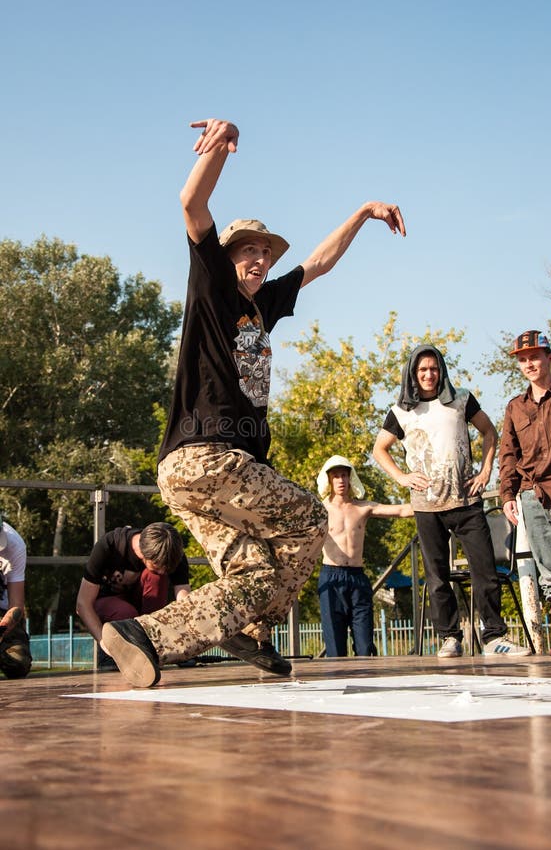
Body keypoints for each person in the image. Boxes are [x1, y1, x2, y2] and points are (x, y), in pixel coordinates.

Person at [101, 117, 406, 687]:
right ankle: (255, 626)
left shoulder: (265, 302)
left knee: (254, 572)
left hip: (192, 475)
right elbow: (192, 203)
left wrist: (363, 213)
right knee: (312, 518)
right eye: (249, 251)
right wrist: (222, 146)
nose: (259, 259)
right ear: (229, 255)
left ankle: (155, 635)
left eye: (265, 251)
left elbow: (318, 263)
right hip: (208, 455)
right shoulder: (212, 284)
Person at [373, 344, 531, 657]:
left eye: (433, 369)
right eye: (422, 370)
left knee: (485, 570)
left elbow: (488, 432)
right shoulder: (402, 411)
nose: (428, 374)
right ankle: (450, 637)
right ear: (413, 375)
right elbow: (380, 449)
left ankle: (494, 638)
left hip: (467, 500)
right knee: (436, 576)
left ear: (441, 371)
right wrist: (402, 478)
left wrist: (486, 470)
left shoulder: (461, 400)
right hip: (427, 505)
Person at [499, 329, 551, 656]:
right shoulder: (515, 407)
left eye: (534, 356)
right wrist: (506, 496)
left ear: (549, 357)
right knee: (550, 572)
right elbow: (508, 454)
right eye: (523, 359)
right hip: (532, 497)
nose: (529, 363)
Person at [317, 455, 413, 657]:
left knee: (365, 644)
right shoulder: (320, 510)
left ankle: (368, 680)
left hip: (357, 577)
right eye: (336, 476)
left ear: (350, 478)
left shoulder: (363, 507)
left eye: (344, 475)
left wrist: (435, 503)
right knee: (335, 645)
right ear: (329, 480)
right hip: (331, 577)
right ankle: (337, 681)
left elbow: (402, 510)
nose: (341, 480)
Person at [76, 522, 190, 663]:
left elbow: (184, 601)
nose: (163, 571)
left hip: (140, 610)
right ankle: (115, 653)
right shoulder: (109, 545)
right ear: (142, 553)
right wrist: (104, 644)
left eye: (167, 569)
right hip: (107, 606)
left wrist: (186, 642)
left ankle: (153, 641)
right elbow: (83, 604)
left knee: (156, 577)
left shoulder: (171, 551)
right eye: (157, 566)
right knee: (125, 613)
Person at [0, 515, 32, 679]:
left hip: (3, 614)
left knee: (19, 663)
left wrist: (2, 629)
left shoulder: (14, 544)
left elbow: (16, 606)